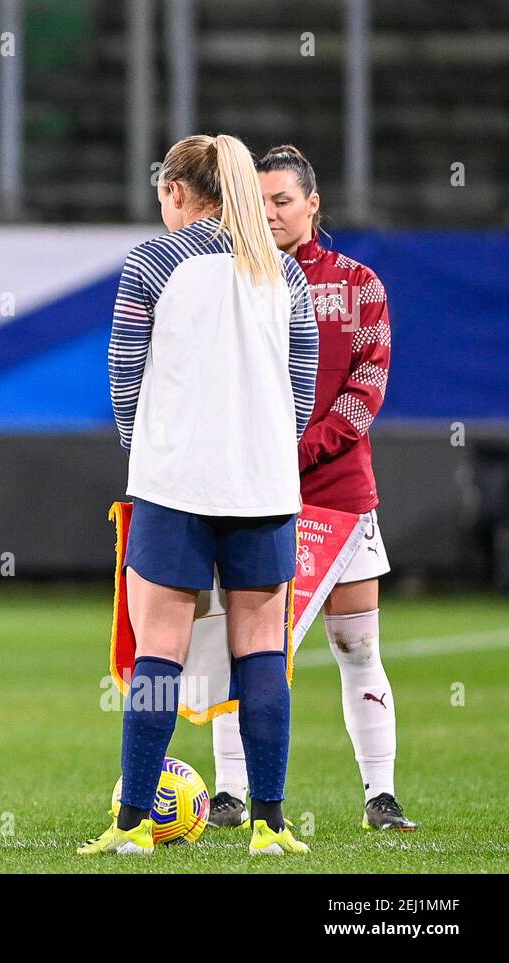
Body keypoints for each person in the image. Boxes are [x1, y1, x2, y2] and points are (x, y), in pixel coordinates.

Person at [80, 133, 318, 857]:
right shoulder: (282, 270)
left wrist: (149, 448)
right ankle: (271, 827)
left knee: (159, 652)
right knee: (260, 654)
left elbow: (125, 372)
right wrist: (265, 448)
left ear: (178, 193)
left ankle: (131, 829)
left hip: (176, 483)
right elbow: (301, 389)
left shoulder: (153, 259)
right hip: (265, 484)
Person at [208, 144, 415, 832]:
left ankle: (380, 795)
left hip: (337, 492)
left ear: (313, 203)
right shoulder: (232, 280)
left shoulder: (360, 285)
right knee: (252, 645)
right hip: (253, 494)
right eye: (259, 202)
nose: (269, 214)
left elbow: (366, 392)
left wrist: (292, 453)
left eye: (282, 201)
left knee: (356, 646)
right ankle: (232, 791)